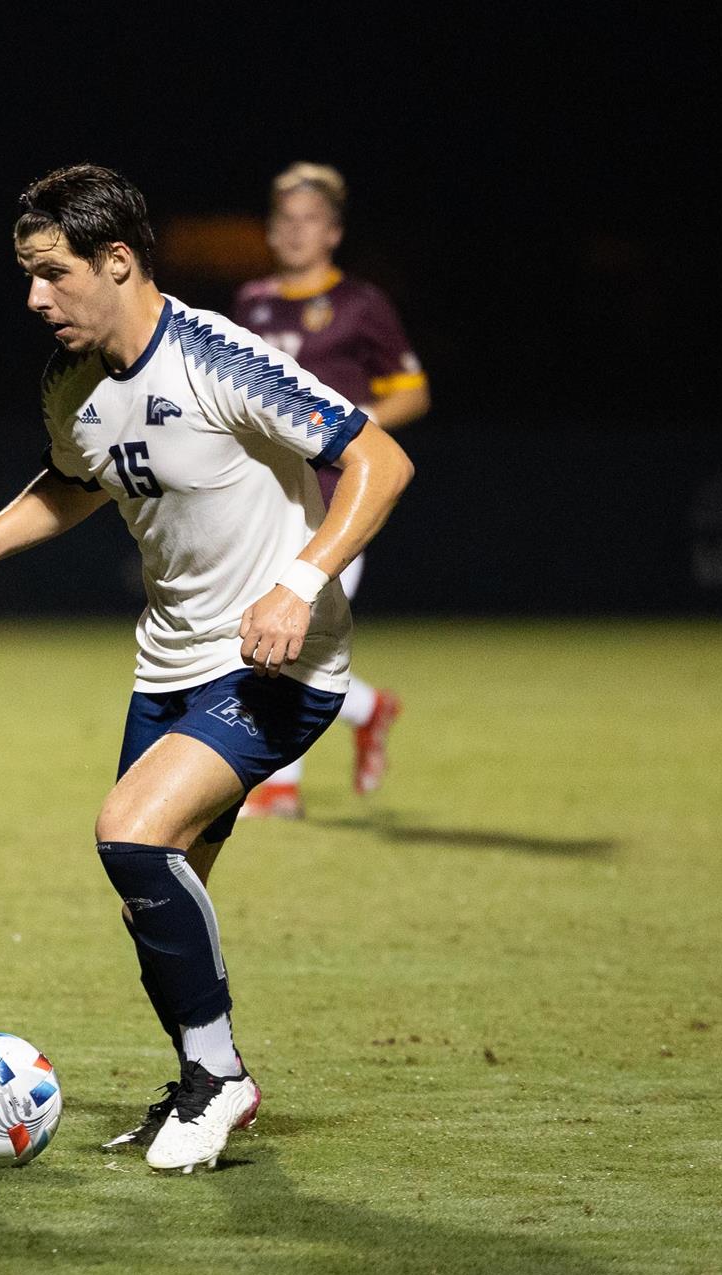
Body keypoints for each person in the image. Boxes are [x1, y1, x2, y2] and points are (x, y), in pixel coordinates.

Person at [0, 165, 413, 1171]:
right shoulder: (68, 379)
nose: (32, 297)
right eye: (25, 274)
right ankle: (198, 1082)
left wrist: (297, 582)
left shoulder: (213, 355)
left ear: (116, 262)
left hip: (276, 663)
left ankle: (220, 1082)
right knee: (156, 894)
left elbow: (379, 458)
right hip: (166, 660)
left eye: (50, 273)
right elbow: (73, 481)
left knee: (127, 832)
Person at [229, 162, 429, 817]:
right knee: (266, 636)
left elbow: (412, 393)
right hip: (266, 498)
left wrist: (348, 429)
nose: (293, 231)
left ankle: (280, 787)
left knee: (299, 637)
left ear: (334, 232)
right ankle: (370, 710)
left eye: (308, 220)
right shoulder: (252, 301)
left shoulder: (360, 304)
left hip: (343, 496)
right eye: (283, 220)